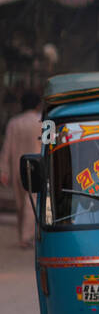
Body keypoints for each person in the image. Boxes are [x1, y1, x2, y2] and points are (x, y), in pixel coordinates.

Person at [0, 91, 42, 247]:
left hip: (17, 166)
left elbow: (7, 148)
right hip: (36, 167)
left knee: (20, 204)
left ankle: (23, 236)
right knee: (31, 202)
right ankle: (26, 236)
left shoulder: (13, 123)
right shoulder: (41, 122)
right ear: (38, 105)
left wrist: (4, 171)